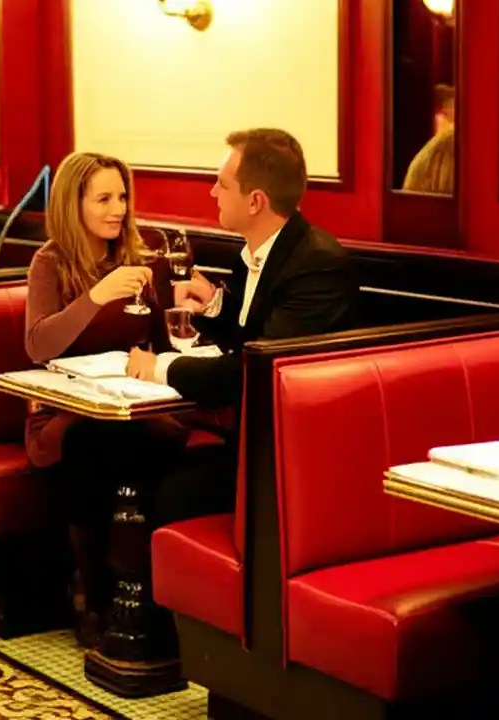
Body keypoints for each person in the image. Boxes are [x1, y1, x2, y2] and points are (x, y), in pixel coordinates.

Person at [126, 128, 358, 525]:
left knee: (168, 491)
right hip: (254, 440)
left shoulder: (317, 265)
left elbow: (258, 367)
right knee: (133, 459)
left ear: (255, 201)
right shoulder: (257, 250)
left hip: (293, 457)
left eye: (222, 184)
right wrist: (216, 303)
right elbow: (253, 333)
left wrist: (160, 368)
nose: (213, 192)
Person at [23, 151, 186, 647]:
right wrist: (96, 297)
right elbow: (38, 345)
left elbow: (160, 344)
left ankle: (146, 597)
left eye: (122, 197)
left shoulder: (142, 260)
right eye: (104, 199)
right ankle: (95, 593)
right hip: (65, 415)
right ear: (75, 205)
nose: (118, 209)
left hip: (133, 410)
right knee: (95, 449)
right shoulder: (49, 263)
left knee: (164, 445)